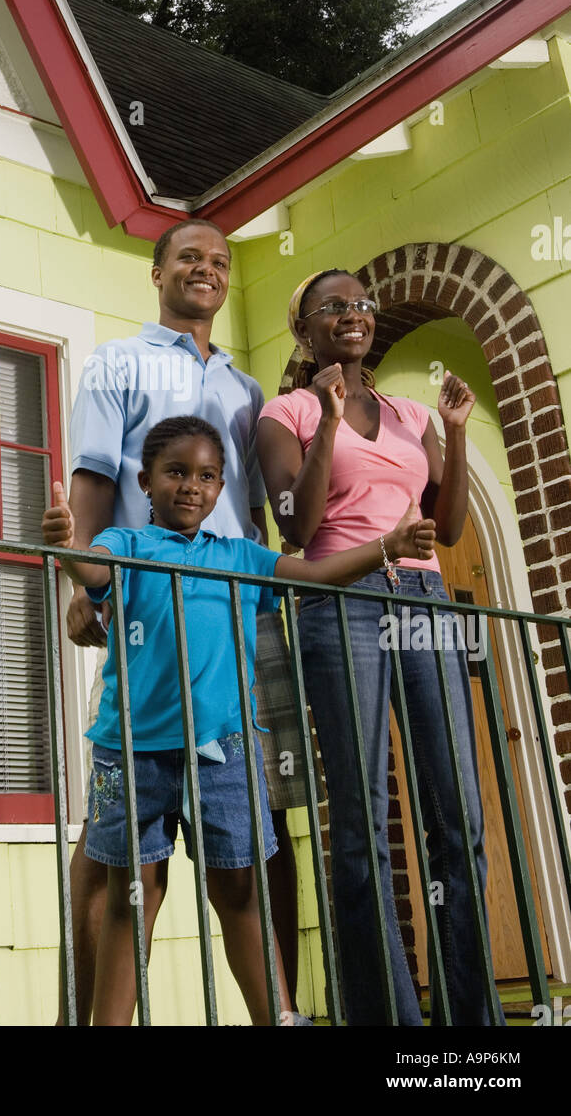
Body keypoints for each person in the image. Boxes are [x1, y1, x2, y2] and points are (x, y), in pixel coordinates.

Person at [42, 413, 436, 1026]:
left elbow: (315, 572)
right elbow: (92, 574)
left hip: (225, 752)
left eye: (207, 476)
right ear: (146, 481)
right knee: (131, 894)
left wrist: (389, 547)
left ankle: (275, 1016)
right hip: (130, 753)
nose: (191, 486)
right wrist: (66, 547)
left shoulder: (241, 558)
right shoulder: (126, 545)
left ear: (221, 488)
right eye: (175, 473)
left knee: (240, 890)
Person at [60, 219, 301, 1023]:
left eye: (220, 261)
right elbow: (92, 478)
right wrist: (83, 587)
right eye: (189, 257)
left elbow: (258, 513)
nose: (206, 269)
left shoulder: (244, 388)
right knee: (121, 846)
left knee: (259, 825)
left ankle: (283, 1012)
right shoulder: (117, 362)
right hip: (150, 619)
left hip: (238, 611)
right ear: (157, 270)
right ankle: (89, 1016)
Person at [257, 268, 505, 1026]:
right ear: (305, 330)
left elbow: (453, 526)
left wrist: (456, 433)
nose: (354, 314)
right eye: (334, 306)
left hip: (423, 598)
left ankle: (474, 1023)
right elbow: (296, 525)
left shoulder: (407, 413)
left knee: (457, 811)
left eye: (362, 302)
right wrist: (329, 423)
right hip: (341, 603)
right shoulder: (285, 413)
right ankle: (386, 1018)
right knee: (362, 817)